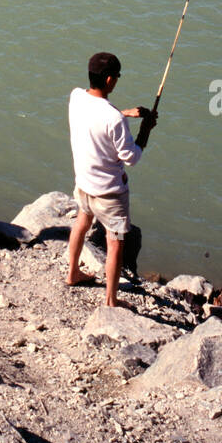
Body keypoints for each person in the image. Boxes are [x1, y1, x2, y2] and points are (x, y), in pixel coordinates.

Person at [67, 51, 156, 306]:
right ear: (109, 80)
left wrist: (126, 112)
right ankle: (111, 300)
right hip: (110, 194)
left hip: (83, 185)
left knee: (82, 224)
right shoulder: (114, 119)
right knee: (115, 243)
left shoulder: (75, 97)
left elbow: (98, 111)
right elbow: (131, 157)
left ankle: (72, 272)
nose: (117, 79)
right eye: (117, 76)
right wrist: (145, 131)